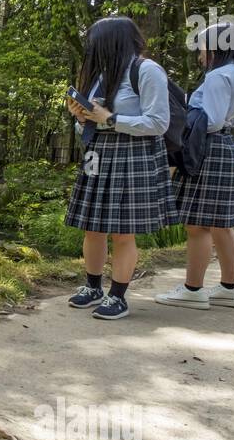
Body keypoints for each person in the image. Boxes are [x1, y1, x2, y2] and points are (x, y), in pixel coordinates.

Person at [64, 16, 179, 320]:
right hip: (98, 154)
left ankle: (118, 296)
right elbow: (92, 126)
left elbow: (158, 123)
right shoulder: (101, 74)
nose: (91, 49)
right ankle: (92, 287)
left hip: (134, 155)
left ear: (112, 42)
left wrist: (111, 119)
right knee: (92, 226)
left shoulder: (147, 70)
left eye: (95, 43)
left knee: (123, 231)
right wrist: (81, 119)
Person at [156, 23, 234, 310]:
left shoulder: (217, 76)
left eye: (201, 46)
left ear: (215, 47)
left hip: (207, 148)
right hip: (225, 147)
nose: (200, 52)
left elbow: (210, 120)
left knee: (197, 225)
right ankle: (229, 286)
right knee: (223, 224)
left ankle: (193, 289)